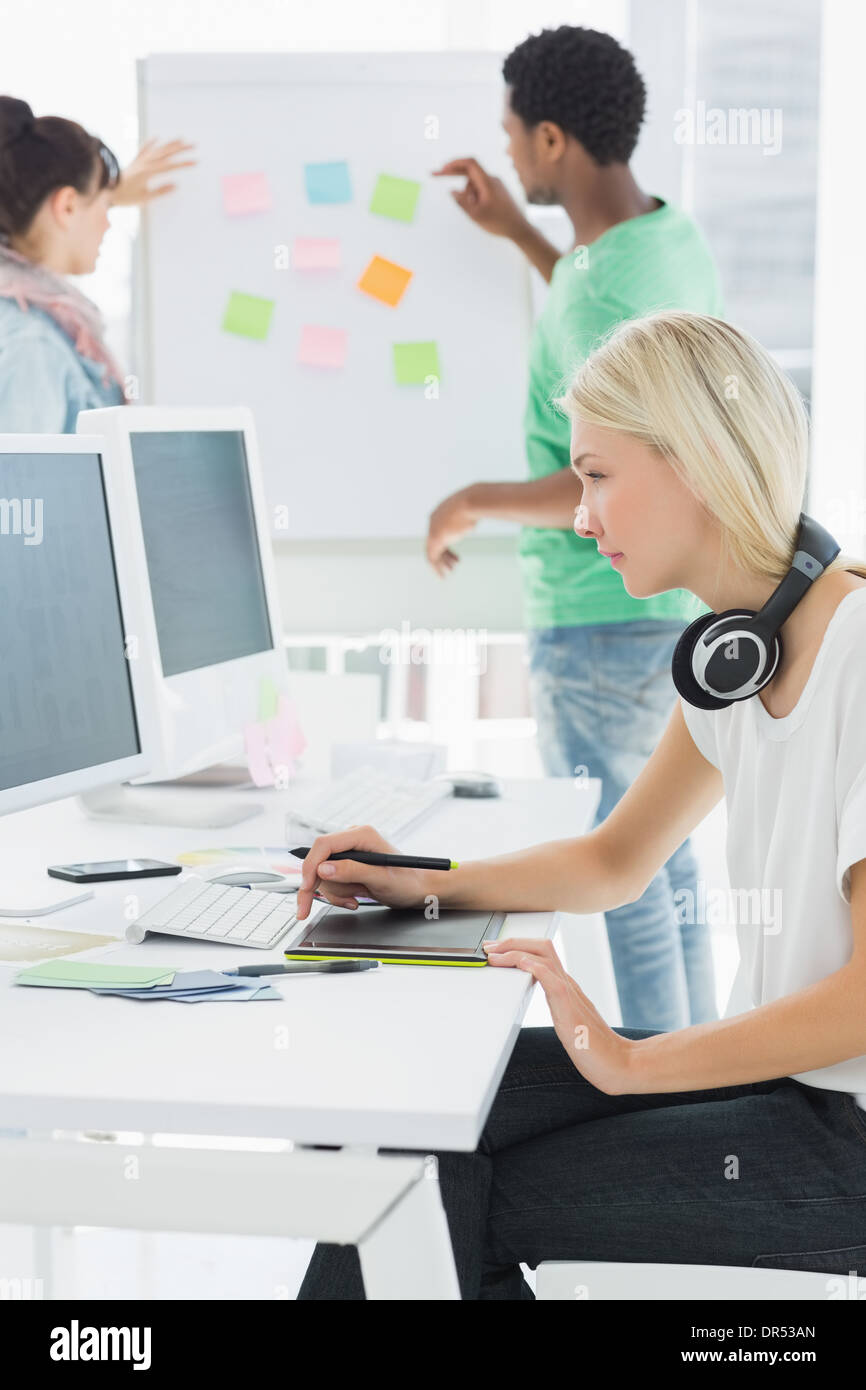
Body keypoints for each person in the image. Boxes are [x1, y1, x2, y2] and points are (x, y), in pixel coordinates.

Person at [295, 310, 866, 1299]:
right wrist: (422, 884)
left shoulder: (856, 651)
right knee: (394, 1107)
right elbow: (613, 863)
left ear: (693, 462)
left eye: (596, 475)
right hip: (781, 1083)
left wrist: (629, 1063)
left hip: (843, 1140)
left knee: (414, 1198)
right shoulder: (736, 656)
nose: (579, 514)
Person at [427, 26, 724, 1032]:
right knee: (661, 858)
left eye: (512, 135)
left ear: (551, 137)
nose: (506, 152)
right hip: (655, 609)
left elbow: (615, 476)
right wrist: (518, 233)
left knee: (621, 873)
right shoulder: (652, 243)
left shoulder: (609, 279)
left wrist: (473, 500)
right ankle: (697, 1068)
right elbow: (597, 314)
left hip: (599, 616)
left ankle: (659, 1087)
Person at [0, 95, 194, 431]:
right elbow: (21, 482)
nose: (107, 223)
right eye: (105, 206)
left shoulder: (28, 323)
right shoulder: (32, 346)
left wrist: (106, 191)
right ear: (68, 207)